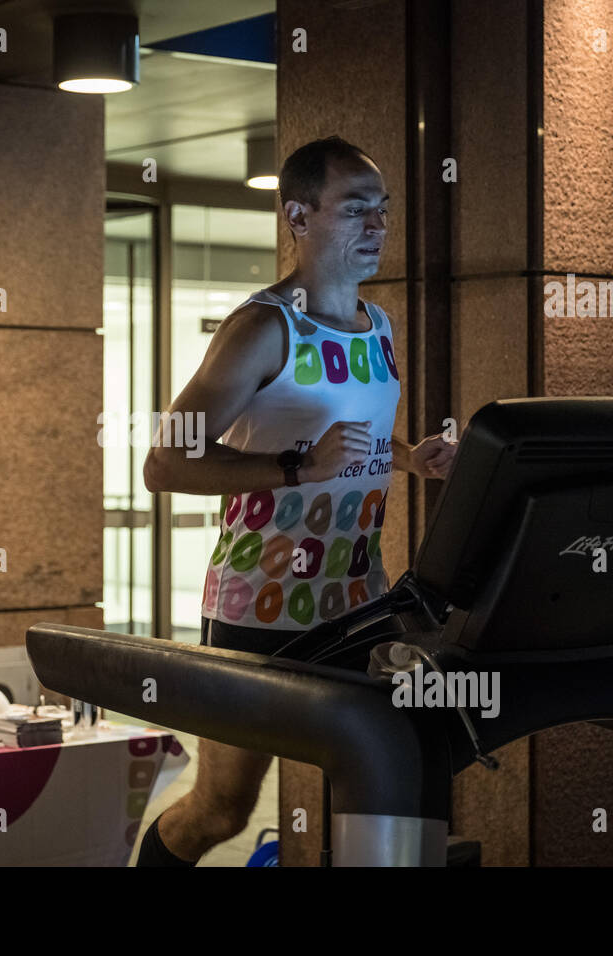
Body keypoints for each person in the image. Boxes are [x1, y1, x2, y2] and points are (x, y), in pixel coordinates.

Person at [136, 135, 457, 866]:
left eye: (382, 210)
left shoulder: (378, 326)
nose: (376, 226)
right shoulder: (259, 328)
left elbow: (350, 428)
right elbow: (163, 461)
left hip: (356, 598)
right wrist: (294, 469)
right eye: (355, 209)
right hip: (260, 603)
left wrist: (411, 457)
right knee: (221, 811)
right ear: (298, 216)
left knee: (386, 782)